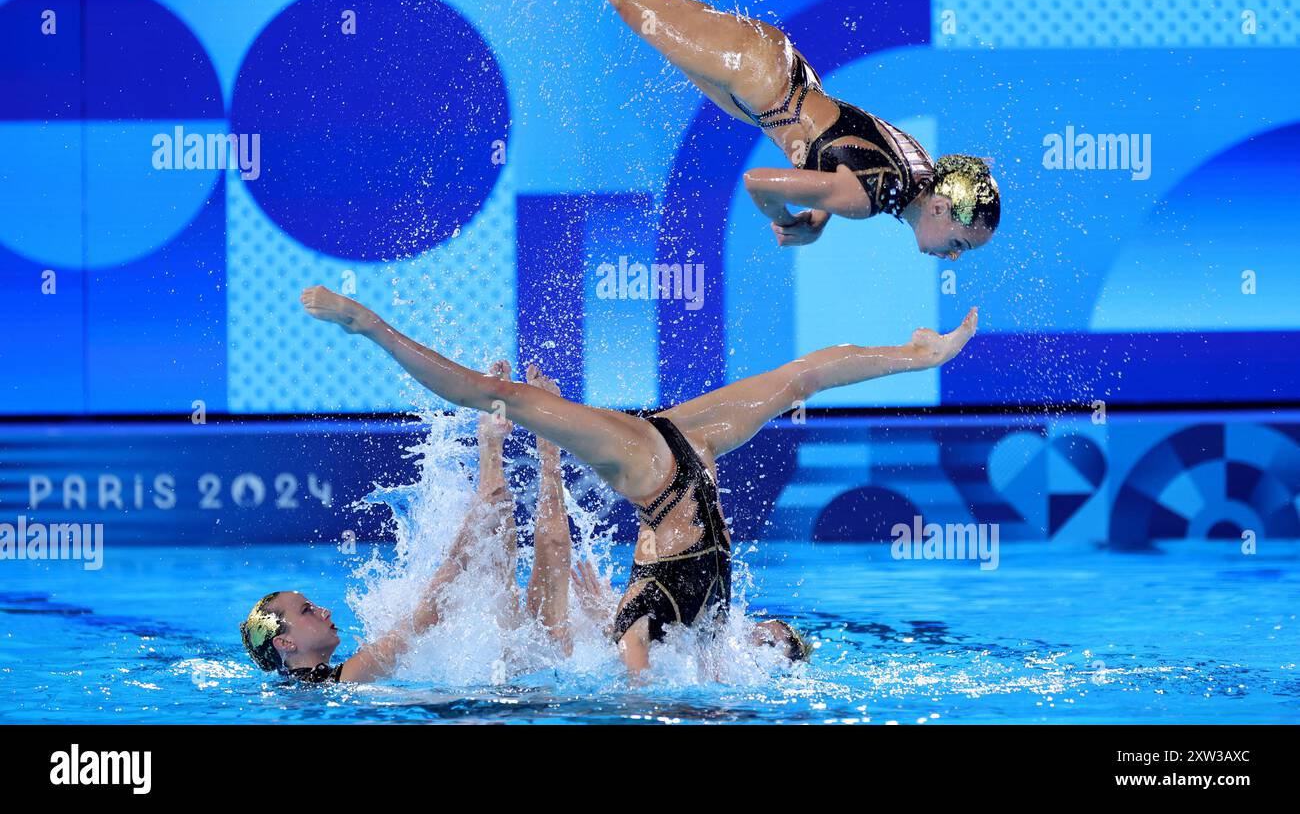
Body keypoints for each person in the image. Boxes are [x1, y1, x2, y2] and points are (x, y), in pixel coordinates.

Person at [295, 285, 979, 674]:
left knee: (487, 395)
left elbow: (634, 694)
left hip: (652, 461)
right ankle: (918, 354)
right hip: (683, 453)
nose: (771, 635)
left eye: (775, 641)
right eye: (781, 638)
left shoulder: (640, 625)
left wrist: (544, 456)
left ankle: (372, 326)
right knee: (797, 379)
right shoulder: (706, 639)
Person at [493, 0, 1000, 258]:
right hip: (758, 77)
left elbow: (853, 164)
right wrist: (787, 219)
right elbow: (759, 182)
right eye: (962, 243)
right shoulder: (874, 196)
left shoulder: (916, 172)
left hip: (772, 86)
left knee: (641, 6)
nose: (953, 256)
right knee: (636, 2)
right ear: (939, 207)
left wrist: (818, 216)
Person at [239, 361, 588, 683]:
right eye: (307, 610)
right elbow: (426, 615)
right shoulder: (340, 681)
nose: (324, 609)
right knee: (540, 625)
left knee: (531, 619)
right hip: (512, 704)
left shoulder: (325, 685)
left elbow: (425, 617)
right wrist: (470, 534)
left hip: (513, 698)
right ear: (285, 642)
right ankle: (523, 446)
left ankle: (535, 448)